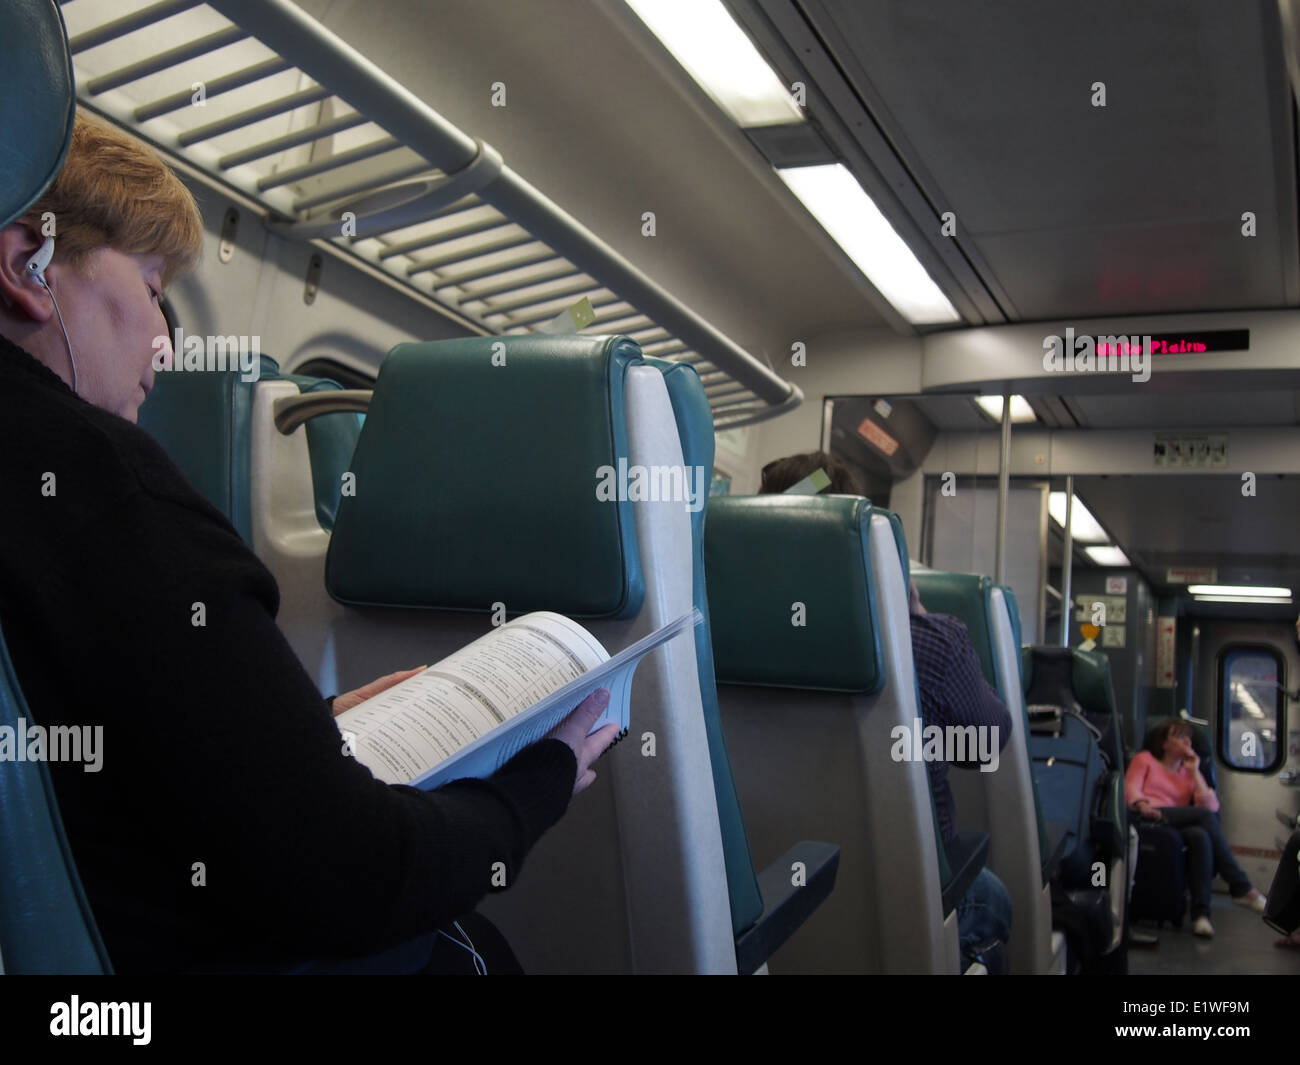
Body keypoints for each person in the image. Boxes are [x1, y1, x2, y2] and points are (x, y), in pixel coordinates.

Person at [0, 111, 618, 973]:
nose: (165, 346)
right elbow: (357, 879)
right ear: (27, 264)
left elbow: (95, 767)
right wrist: (538, 785)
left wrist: (300, 729)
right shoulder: (111, 486)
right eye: (149, 288)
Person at [757, 451, 1014, 972]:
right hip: (900, 890)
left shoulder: (715, 634)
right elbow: (989, 743)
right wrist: (922, 618)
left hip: (768, 891)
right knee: (993, 897)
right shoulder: (918, 642)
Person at [1126, 718, 1267, 938]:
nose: (1187, 741)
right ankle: (1241, 887)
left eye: (1188, 737)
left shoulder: (1187, 772)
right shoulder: (1145, 760)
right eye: (1180, 736)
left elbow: (1211, 807)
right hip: (1147, 815)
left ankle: (1201, 915)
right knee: (1202, 817)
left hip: (1176, 821)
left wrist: (1194, 771)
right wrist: (1142, 804)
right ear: (1164, 743)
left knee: (1200, 835)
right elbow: (1131, 788)